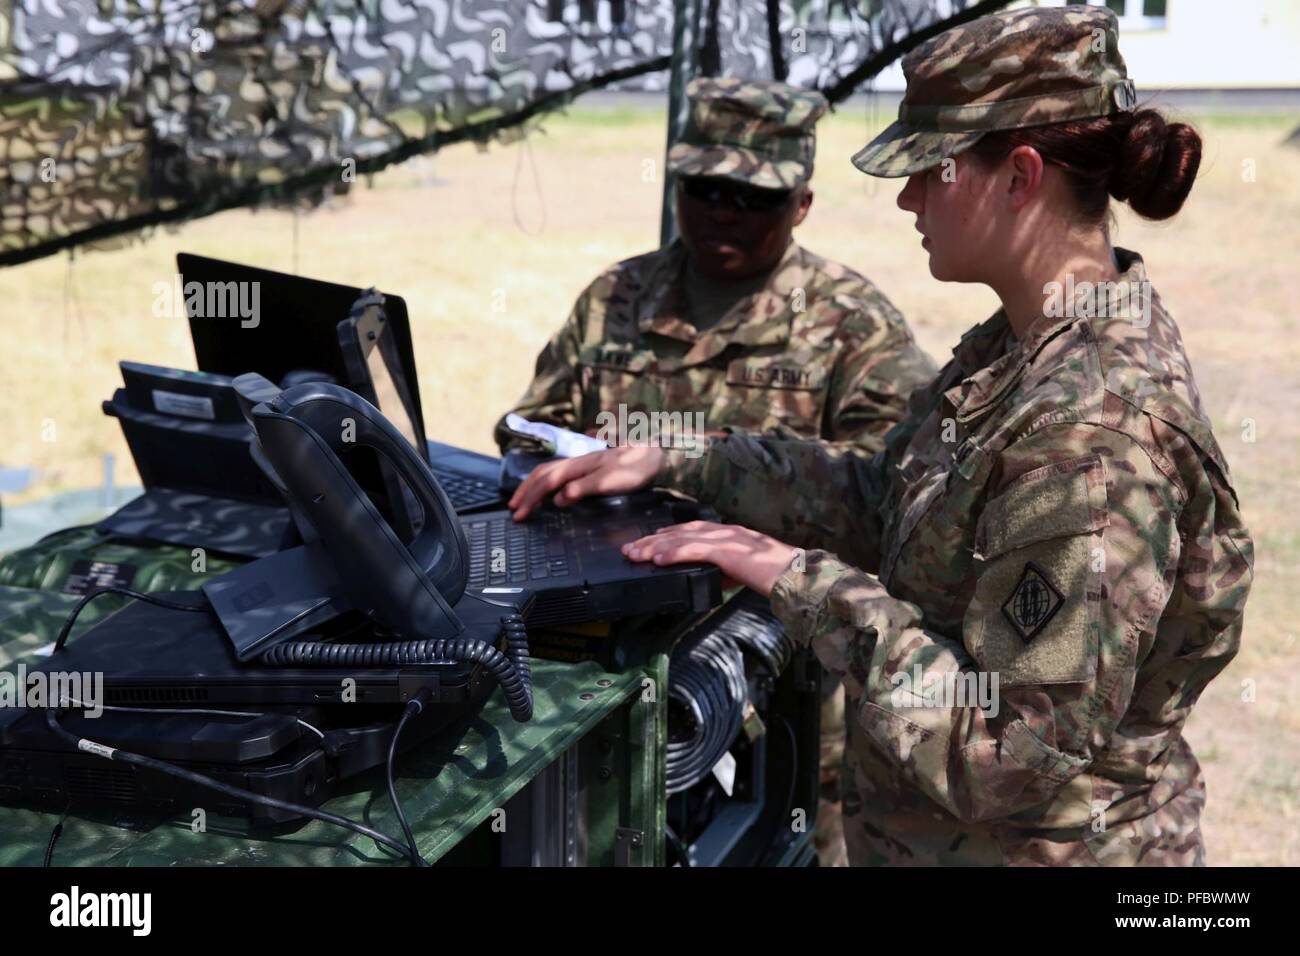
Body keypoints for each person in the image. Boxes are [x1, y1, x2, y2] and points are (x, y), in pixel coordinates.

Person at [507, 5, 1253, 866]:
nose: (907, 197)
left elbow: (1002, 748)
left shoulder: (1087, 434)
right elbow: (885, 501)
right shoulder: (1025, 342)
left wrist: (799, 581)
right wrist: (691, 458)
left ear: (1020, 176)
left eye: (931, 170)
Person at [498, 77, 936, 866]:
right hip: (611, 666)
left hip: (784, 690)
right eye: (704, 188)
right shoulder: (615, 299)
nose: (723, 211)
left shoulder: (852, 325)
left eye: (752, 196)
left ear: (801, 204)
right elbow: (540, 427)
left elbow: (892, 503)